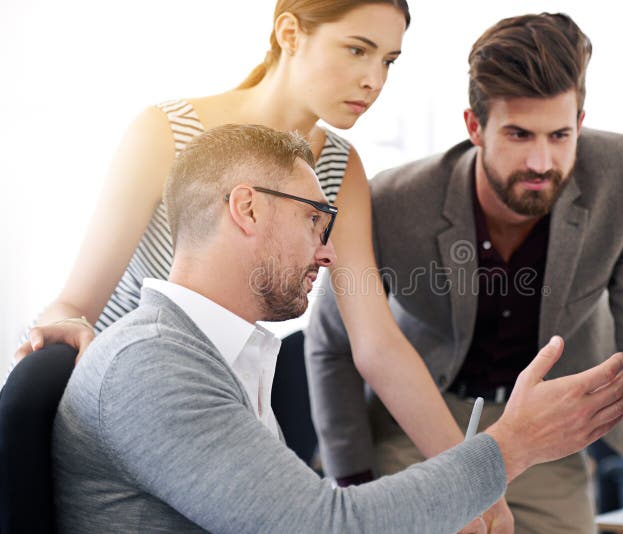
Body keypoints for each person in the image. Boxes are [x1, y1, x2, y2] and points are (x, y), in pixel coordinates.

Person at [13, 1, 516, 528]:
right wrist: (60, 326)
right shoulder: (168, 134)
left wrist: (485, 492)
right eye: (356, 50)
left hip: (232, 397)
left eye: (388, 61)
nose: (373, 80)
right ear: (290, 33)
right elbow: (77, 302)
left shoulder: (339, 167)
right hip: (147, 402)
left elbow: (377, 344)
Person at [52, 124, 623, 533]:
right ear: (248, 208)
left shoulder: (209, 354)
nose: (328, 252)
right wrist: (512, 444)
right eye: (315, 219)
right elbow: (320, 525)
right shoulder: (151, 366)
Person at [305, 12, 623, 533]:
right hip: (422, 424)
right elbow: (330, 344)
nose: (541, 161)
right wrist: (355, 481)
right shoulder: (392, 203)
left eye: (560, 134)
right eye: (519, 134)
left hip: (544, 430)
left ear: (581, 121)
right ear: (474, 127)